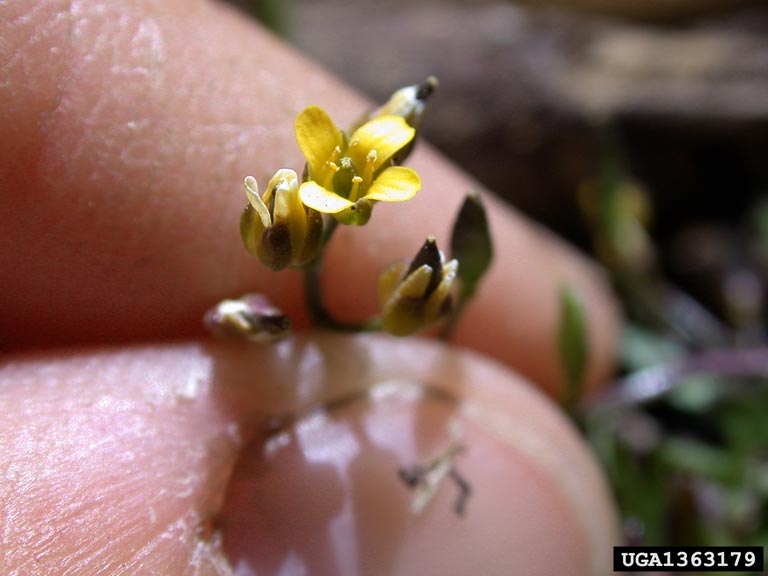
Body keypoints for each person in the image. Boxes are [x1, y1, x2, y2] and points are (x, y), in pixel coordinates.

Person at [0, 1, 620, 573]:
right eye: (340, 183)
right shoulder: (333, 187)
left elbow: (355, 180)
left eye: (357, 183)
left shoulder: (354, 182)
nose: (350, 184)